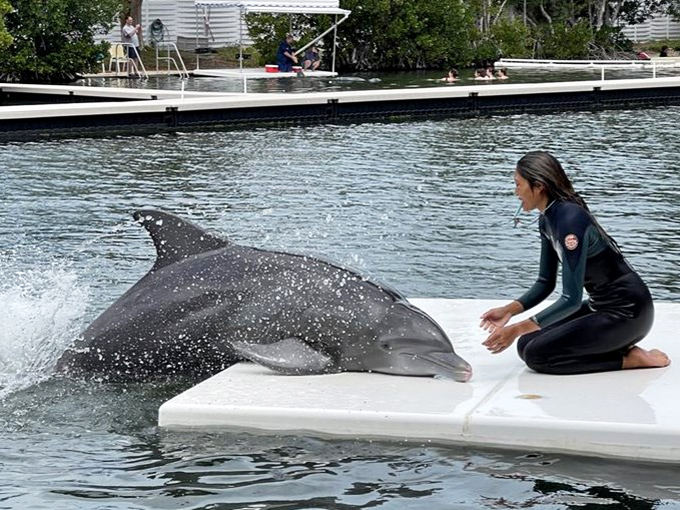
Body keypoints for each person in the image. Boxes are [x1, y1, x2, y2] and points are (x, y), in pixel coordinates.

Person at [480, 151, 670, 375]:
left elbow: (571, 299)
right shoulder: (547, 219)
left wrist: (516, 328)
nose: (516, 192)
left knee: (537, 356)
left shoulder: (570, 220)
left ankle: (631, 359)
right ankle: (615, 348)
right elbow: (544, 282)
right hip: (600, 306)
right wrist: (508, 311)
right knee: (525, 344)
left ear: (538, 186)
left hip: (627, 312)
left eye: (518, 184)